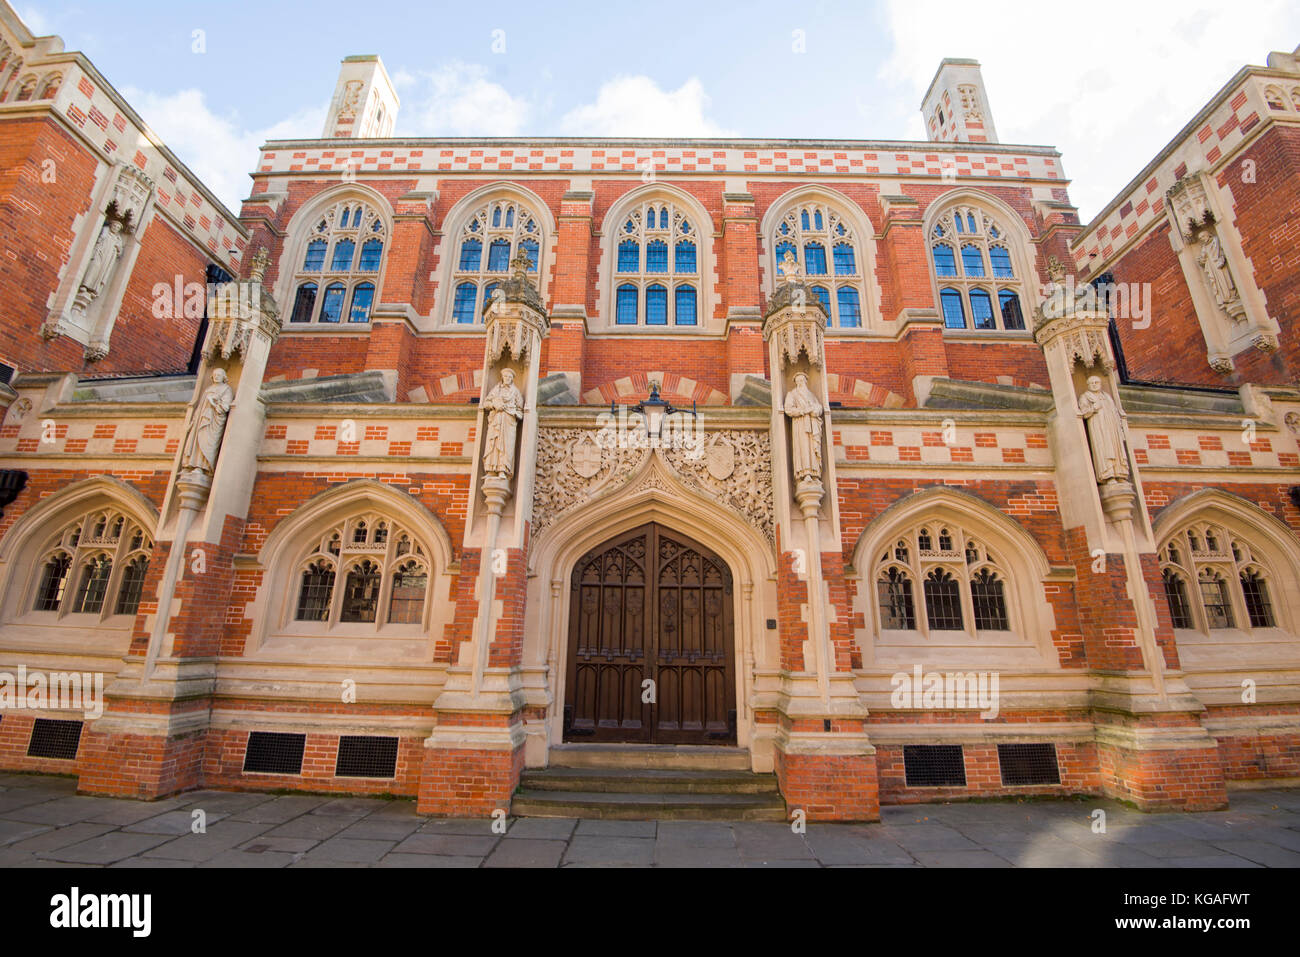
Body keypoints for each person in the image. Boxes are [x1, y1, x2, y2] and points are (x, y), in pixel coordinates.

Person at [181, 368, 235, 474]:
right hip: (202, 418)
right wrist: (193, 421)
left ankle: (202, 467)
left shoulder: (226, 389)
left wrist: (214, 402)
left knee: (206, 442)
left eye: (219, 375)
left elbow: (225, 407)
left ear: (224, 377)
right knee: (196, 440)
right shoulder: (208, 389)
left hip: (213, 420)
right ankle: (191, 464)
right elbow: (200, 407)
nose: (216, 376)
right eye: (214, 374)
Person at [1077, 375, 1129, 483]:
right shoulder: (1085, 396)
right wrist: (1094, 408)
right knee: (1104, 448)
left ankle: (1119, 473)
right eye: (1092, 383)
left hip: (1111, 427)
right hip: (1098, 427)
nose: (1094, 384)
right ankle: (1108, 475)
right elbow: (1084, 413)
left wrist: (1120, 430)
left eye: (1097, 382)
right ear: (1088, 385)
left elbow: (1115, 411)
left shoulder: (1107, 396)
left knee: (1115, 447)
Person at [482, 368, 525, 477]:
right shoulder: (496, 390)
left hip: (509, 421)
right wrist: (494, 405)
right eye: (506, 376)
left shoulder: (515, 392)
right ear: (502, 377)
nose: (507, 379)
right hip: (496, 420)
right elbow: (486, 403)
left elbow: (520, 409)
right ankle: (491, 469)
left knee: (507, 445)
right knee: (494, 444)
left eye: (510, 377)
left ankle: (503, 469)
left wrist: (514, 413)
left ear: (512, 379)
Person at [785, 372, 824, 482]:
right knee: (803, 447)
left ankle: (815, 472)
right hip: (800, 424)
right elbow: (788, 409)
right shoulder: (792, 394)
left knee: (812, 447)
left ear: (806, 381)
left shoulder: (811, 395)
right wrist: (803, 411)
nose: (800, 383)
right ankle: (805, 472)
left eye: (802, 380)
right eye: (798, 381)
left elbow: (819, 407)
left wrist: (815, 410)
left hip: (812, 424)